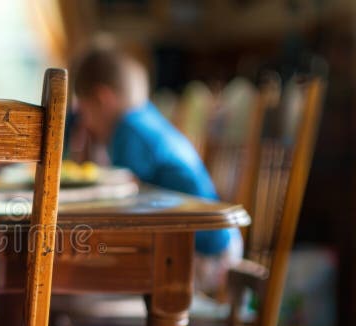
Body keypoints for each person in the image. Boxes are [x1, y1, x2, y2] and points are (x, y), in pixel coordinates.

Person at [73, 46, 242, 293]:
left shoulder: (129, 131)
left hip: (202, 253)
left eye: (85, 111)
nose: (85, 122)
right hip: (218, 242)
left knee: (87, 268)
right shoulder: (145, 119)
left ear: (102, 99)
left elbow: (120, 201)